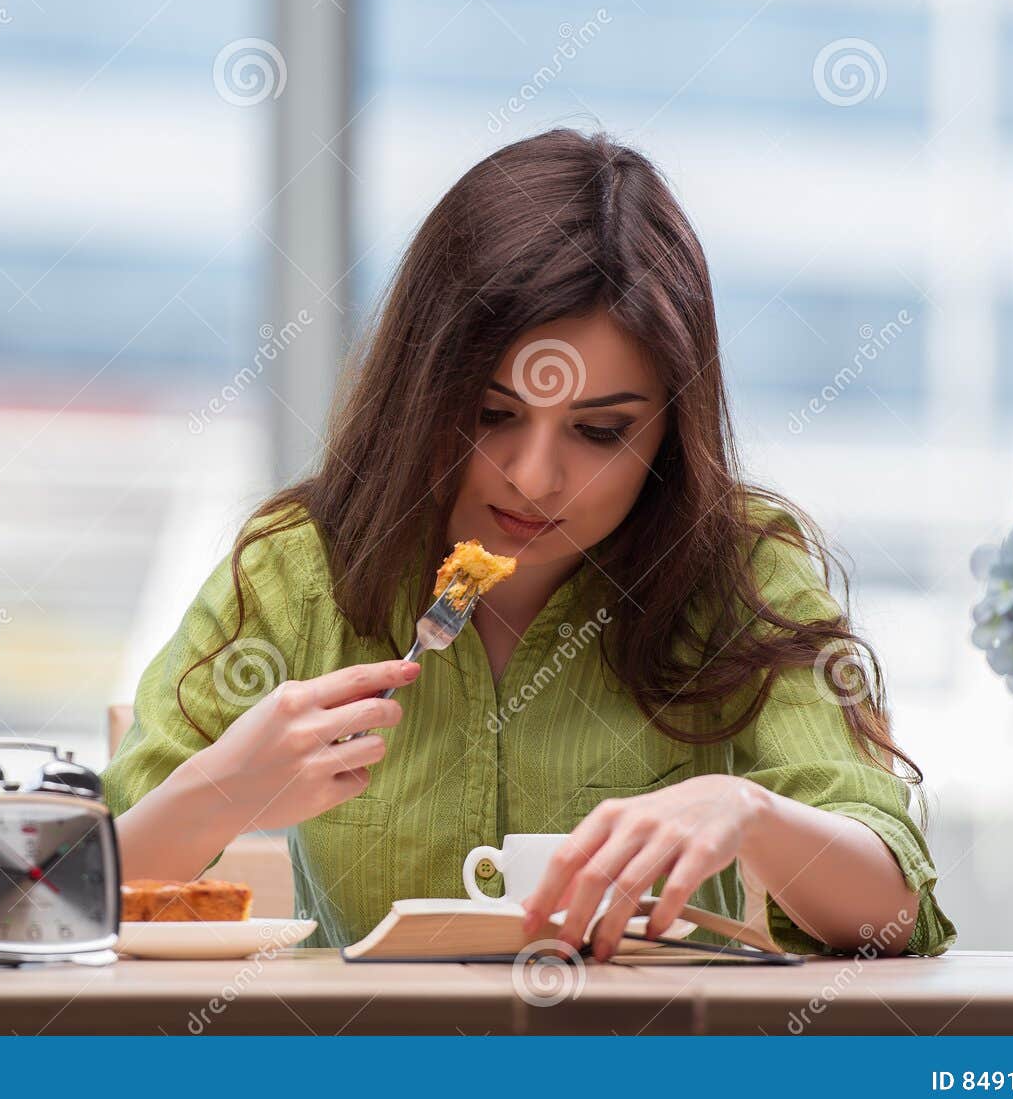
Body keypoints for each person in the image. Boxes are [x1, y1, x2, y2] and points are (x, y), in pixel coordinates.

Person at [104, 128, 957, 960]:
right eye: (491, 415)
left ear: (671, 431)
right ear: (420, 385)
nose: (536, 478)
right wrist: (219, 794)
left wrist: (751, 813)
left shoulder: (738, 572)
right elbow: (55, 901)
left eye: (601, 432)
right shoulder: (299, 571)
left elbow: (890, 918)